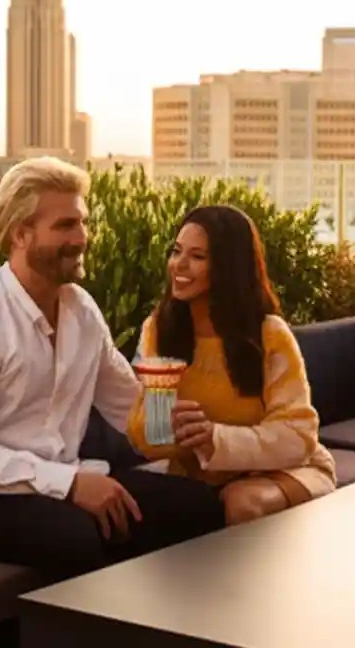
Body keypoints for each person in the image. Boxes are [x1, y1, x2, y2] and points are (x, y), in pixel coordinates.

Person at [0, 156, 224, 580]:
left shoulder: (81, 311)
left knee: (197, 506)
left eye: (82, 223)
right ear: (20, 233)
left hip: (58, 484)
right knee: (78, 535)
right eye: (65, 226)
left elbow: (127, 404)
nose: (81, 238)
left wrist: (183, 430)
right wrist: (71, 484)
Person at [127, 205, 337, 525]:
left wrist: (215, 439)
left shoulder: (269, 334)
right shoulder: (158, 330)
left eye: (198, 256)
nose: (179, 265)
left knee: (241, 501)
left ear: (227, 267)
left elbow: (298, 437)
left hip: (288, 469)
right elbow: (148, 441)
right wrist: (165, 425)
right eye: (176, 251)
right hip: (202, 480)